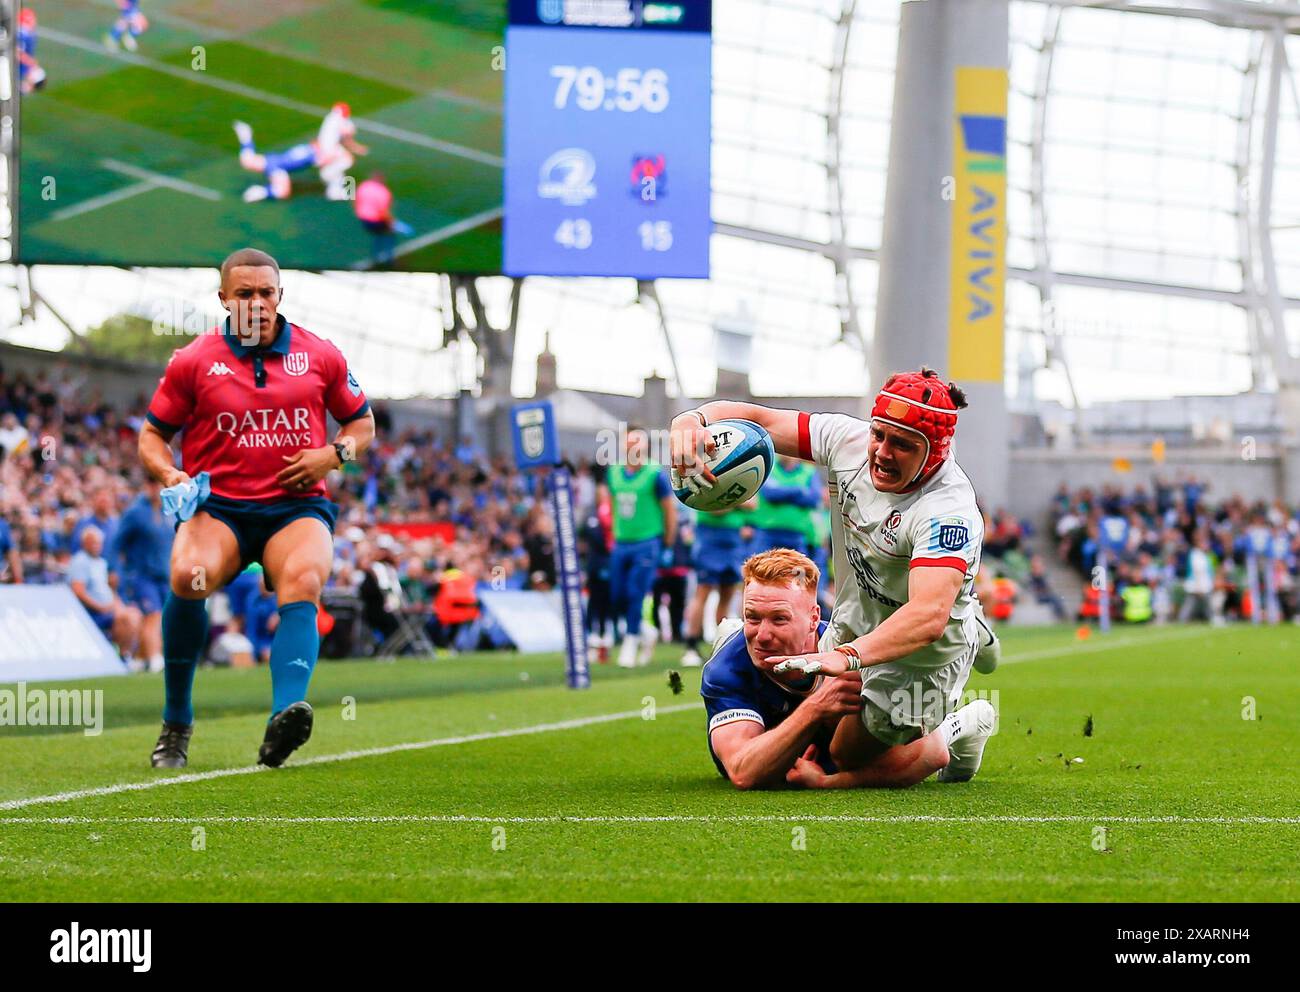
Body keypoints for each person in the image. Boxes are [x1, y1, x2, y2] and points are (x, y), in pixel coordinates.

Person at [670, 366, 999, 784]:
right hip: (857, 616)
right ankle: (968, 614)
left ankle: (961, 724)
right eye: (880, 434)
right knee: (812, 696)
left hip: (922, 654)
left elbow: (928, 618)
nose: (881, 452)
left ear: (934, 451)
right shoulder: (848, 441)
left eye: (902, 445)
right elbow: (762, 421)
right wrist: (692, 421)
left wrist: (842, 660)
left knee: (845, 752)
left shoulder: (948, 510)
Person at [139, 247, 375, 769]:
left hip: (294, 508)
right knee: (189, 575)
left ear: (280, 296)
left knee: (306, 579)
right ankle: (177, 721)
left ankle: (282, 719)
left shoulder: (320, 355)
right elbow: (153, 436)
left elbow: (363, 426)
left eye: (266, 293)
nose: (256, 303)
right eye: (244, 293)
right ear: (224, 298)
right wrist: (168, 471)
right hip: (219, 506)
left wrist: (333, 455)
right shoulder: (194, 360)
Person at [704, 548, 992, 789]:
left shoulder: (853, 654)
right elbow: (743, 772)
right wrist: (816, 707)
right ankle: (731, 631)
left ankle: (959, 724)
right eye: (752, 618)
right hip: (777, 743)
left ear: (814, 618)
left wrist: (831, 782)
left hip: (832, 749)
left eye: (779, 619)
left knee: (853, 751)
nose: (763, 636)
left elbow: (931, 755)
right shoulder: (727, 670)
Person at [601, 427, 677, 668]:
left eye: (638, 443)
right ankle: (645, 630)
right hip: (622, 541)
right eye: (629, 442)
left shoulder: (655, 474)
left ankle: (631, 641)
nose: (633, 447)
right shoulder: (613, 472)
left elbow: (668, 509)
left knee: (636, 592)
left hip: (647, 541)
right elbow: (611, 504)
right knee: (616, 594)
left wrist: (667, 543)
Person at [107, 478, 172, 672]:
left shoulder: (169, 512)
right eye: (152, 484)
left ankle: (141, 657)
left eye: (159, 484)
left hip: (164, 575)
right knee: (152, 615)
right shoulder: (135, 513)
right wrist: (113, 569)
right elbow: (116, 544)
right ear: (147, 486)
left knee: (159, 618)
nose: (156, 488)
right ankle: (155, 658)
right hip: (142, 575)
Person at [680, 500, 752, 668]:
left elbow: (752, 504)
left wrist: (728, 503)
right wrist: (738, 503)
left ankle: (722, 644)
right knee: (702, 592)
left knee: (727, 594)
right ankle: (691, 645)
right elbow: (715, 509)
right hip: (709, 537)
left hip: (733, 538)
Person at [68, 526, 142, 662]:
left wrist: (117, 604)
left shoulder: (101, 563)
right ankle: (119, 655)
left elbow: (108, 589)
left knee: (134, 614)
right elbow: (78, 591)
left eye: (99, 543)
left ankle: (126, 655)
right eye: (94, 543)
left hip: (108, 608)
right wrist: (101, 607)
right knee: (125, 618)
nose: (97, 546)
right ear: (85, 543)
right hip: (93, 612)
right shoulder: (80, 561)